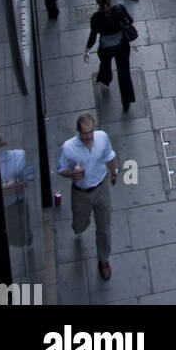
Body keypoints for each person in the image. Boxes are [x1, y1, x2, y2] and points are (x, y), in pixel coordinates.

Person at [57, 114, 118, 282]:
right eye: (85, 133)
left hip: (101, 188)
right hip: (81, 193)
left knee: (104, 228)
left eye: (91, 131)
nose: (89, 136)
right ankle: (79, 227)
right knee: (79, 223)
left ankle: (103, 260)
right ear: (78, 131)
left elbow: (108, 156)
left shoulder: (102, 138)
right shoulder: (68, 148)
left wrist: (113, 173)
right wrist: (72, 174)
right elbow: (61, 169)